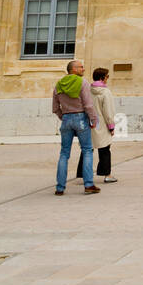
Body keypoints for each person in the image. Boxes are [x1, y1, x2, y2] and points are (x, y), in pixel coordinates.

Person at [52, 58, 100, 195]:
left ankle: (60, 187)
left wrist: (64, 116)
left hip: (66, 118)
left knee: (64, 153)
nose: (83, 69)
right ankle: (89, 184)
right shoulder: (83, 82)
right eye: (80, 67)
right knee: (87, 150)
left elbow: (55, 107)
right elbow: (88, 104)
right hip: (81, 118)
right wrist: (93, 119)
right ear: (73, 69)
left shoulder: (59, 84)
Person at [75, 68, 116, 183]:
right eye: (107, 76)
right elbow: (108, 111)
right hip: (101, 124)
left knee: (87, 149)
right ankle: (107, 175)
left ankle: (83, 174)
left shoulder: (87, 90)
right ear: (103, 78)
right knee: (105, 149)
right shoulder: (105, 92)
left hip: (88, 123)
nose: (108, 79)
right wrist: (111, 126)